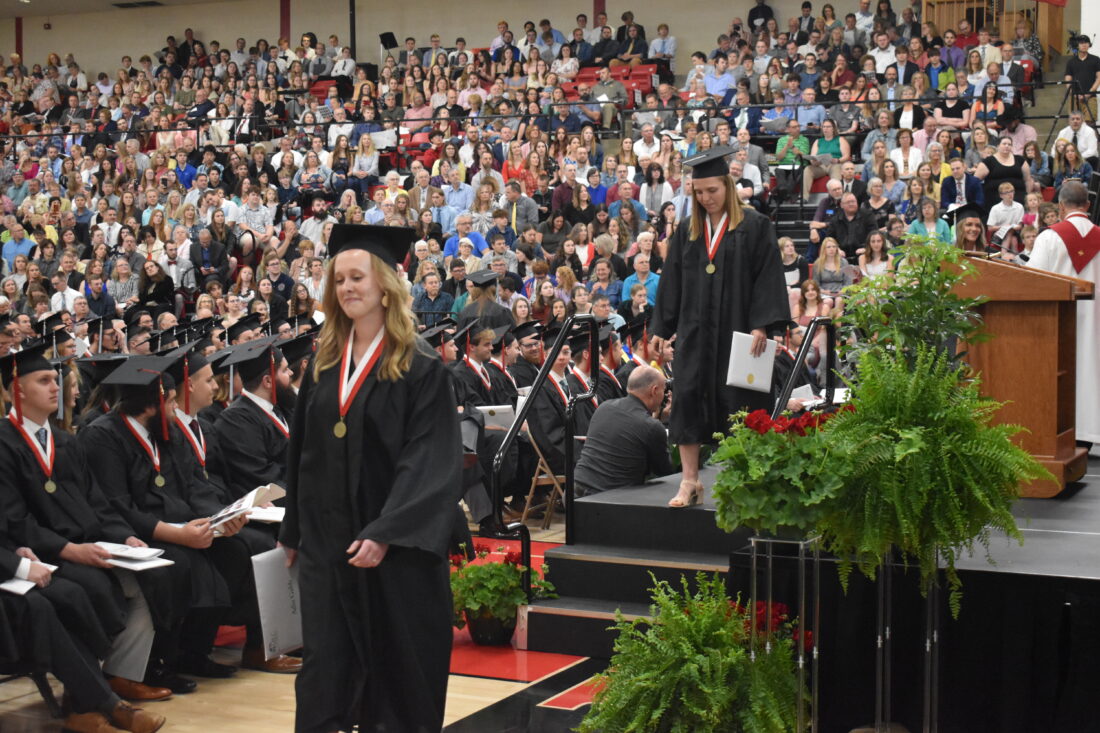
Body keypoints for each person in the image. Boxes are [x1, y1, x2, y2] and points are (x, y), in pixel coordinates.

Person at [280, 223, 461, 732]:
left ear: (384, 284)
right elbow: (303, 452)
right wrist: (293, 529)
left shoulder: (419, 367)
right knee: (324, 668)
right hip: (327, 544)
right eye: (338, 281)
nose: (347, 289)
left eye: (357, 277)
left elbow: (427, 460)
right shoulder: (323, 363)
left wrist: (386, 531)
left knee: (394, 671)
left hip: (391, 554)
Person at [650, 147, 789, 508]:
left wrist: (762, 324)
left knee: (742, 404)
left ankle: (746, 479)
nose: (705, 198)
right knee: (688, 399)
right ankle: (689, 482)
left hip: (739, 332)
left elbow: (767, 276)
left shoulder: (755, 226)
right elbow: (672, 282)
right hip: (696, 333)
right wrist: (660, 328)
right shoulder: (688, 231)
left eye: (712, 190)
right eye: (698, 192)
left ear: (727, 185)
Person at [1025, 181, 1100, 447]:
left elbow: (1032, 282)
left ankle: (1062, 431)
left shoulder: (1049, 237)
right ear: (1088, 206)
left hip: (1058, 322)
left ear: (1060, 206)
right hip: (1095, 322)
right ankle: (1091, 431)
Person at [574, 365, 674, 495]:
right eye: (664, 390)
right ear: (654, 390)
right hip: (608, 502)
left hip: (574, 495)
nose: (664, 395)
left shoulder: (604, 407)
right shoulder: (652, 426)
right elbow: (664, 471)